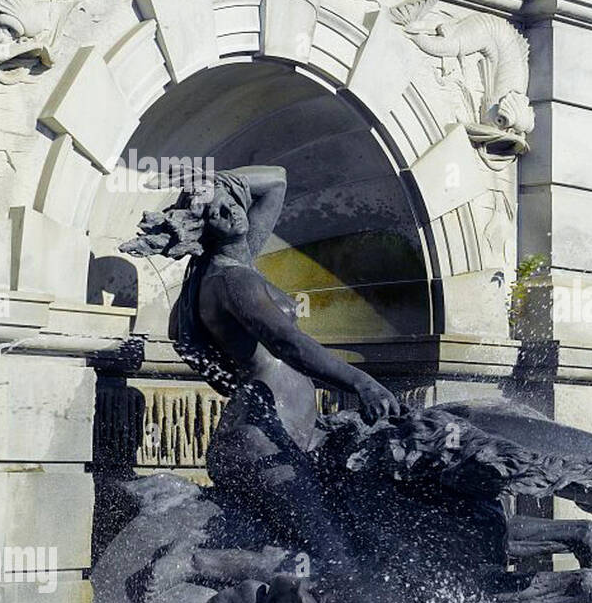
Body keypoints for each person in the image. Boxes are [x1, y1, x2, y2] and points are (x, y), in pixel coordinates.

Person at [121, 164, 398, 579]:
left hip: (279, 436)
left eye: (232, 202)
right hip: (264, 445)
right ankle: (200, 562)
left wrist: (211, 179)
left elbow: (279, 179)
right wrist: (361, 382)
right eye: (215, 212)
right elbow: (286, 343)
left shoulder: (239, 262)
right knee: (338, 560)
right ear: (201, 230)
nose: (229, 212)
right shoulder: (234, 283)